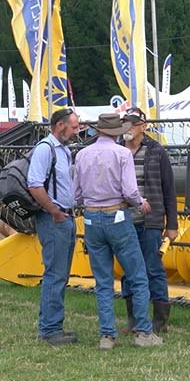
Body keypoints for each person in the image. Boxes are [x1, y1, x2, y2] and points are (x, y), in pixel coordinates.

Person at [74, 112, 162, 350]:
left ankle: (107, 336)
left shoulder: (82, 154)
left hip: (91, 218)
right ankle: (143, 332)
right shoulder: (123, 154)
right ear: (117, 132)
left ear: (98, 130)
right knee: (137, 276)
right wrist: (141, 203)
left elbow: (77, 194)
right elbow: (130, 191)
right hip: (118, 216)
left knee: (103, 280)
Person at [27, 108, 81, 346]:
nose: (77, 131)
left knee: (60, 274)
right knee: (55, 274)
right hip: (54, 219)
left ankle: (52, 325)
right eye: (74, 126)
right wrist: (54, 211)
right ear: (60, 125)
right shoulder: (46, 149)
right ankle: (50, 329)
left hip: (63, 217)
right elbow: (34, 184)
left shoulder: (63, 151)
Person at [120, 109, 177, 333]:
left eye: (132, 124)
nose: (127, 128)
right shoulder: (118, 149)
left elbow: (169, 189)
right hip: (124, 220)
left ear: (143, 126)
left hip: (150, 221)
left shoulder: (156, 151)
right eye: (124, 124)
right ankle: (134, 319)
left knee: (153, 269)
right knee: (128, 270)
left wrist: (172, 224)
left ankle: (160, 322)